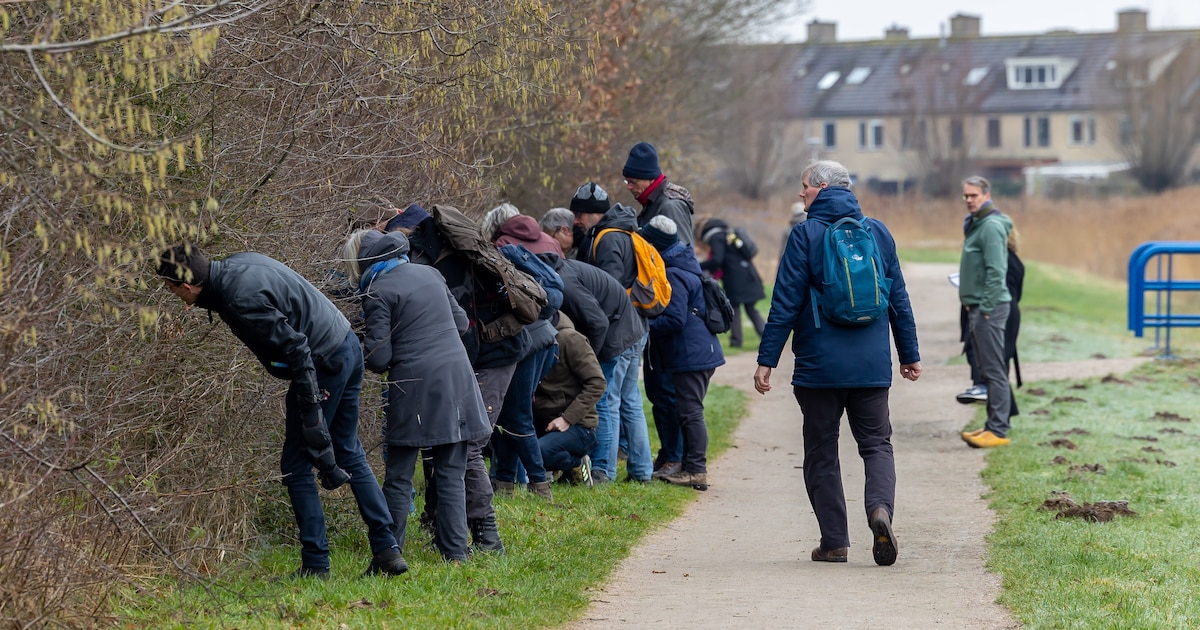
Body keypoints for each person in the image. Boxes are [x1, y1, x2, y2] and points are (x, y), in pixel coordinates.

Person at [157, 244, 406, 578]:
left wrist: (312, 414)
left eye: (170, 289)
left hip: (323, 360)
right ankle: (388, 551)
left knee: (296, 464)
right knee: (348, 449)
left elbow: (298, 351)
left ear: (184, 286)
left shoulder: (238, 298)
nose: (173, 296)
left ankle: (316, 564)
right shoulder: (236, 264)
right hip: (345, 343)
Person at [753, 160, 921, 567]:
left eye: (804, 186)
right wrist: (909, 354)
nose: (801, 193)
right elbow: (898, 298)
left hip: (819, 369)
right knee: (877, 445)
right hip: (871, 367)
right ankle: (879, 510)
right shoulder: (878, 232)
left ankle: (834, 543)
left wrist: (767, 360)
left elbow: (785, 302)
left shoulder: (805, 235)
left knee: (822, 451)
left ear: (823, 187)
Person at [342, 229, 491, 564]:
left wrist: (355, 344)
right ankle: (456, 555)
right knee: (451, 473)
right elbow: (461, 322)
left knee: (398, 476)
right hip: (457, 378)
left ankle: (390, 553)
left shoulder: (378, 290)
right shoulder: (430, 273)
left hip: (414, 389)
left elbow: (379, 357)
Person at [390, 203, 522, 553]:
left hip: (492, 354)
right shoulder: (443, 254)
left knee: (468, 445)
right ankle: (446, 532)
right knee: (451, 443)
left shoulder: (431, 263)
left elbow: (460, 324)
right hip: (480, 354)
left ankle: (487, 536)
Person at [570, 182, 656, 484]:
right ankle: (642, 470)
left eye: (580, 215)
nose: (576, 221)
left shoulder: (607, 241)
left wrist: (596, 341)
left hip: (619, 330)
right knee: (630, 399)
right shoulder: (624, 231)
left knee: (606, 398)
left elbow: (609, 293)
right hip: (636, 328)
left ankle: (604, 469)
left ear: (595, 214)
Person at [479, 204, 561, 501]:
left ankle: (540, 486)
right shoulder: (546, 240)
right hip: (548, 337)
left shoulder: (501, 247)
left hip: (524, 340)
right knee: (512, 412)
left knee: (516, 414)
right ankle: (504, 482)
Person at [640, 216, 725, 490]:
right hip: (696, 352)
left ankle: (696, 471)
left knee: (690, 413)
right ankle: (690, 467)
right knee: (688, 411)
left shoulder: (674, 273)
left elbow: (675, 320)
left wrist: (644, 326)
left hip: (692, 355)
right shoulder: (683, 265)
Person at [958, 176, 1016, 449]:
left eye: (974, 195)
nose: (969, 200)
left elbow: (997, 270)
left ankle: (999, 430)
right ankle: (991, 425)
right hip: (978, 306)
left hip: (989, 308)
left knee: (994, 370)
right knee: (987, 369)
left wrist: (988, 308)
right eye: (966, 196)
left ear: (986, 194)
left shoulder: (991, 225)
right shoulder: (977, 223)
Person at [956, 227, 1024, 412]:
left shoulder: (1001, 259)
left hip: (995, 313)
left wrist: (984, 307)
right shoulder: (1012, 258)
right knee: (998, 367)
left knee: (992, 367)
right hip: (1005, 312)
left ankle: (998, 419)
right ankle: (999, 419)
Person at [534, 313, 605, 485]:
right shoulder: (530, 335)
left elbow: (597, 383)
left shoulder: (571, 339)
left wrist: (567, 418)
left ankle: (576, 463)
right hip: (542, 419)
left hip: (578, 425)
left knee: (537, 453)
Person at [697, 217, 766, 348]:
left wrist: (699, 265)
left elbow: (717, 259)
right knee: (750, 308)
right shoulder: (729, 234)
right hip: (748, 274)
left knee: (734, 308)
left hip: (735, 279)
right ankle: (766, 337)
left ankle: (736, 341)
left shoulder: (716, 237)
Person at [622, 141, 695, 245]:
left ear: (650, 179)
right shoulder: (652, 203)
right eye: (627, 181)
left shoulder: (670, 207)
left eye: (633, 182)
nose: (628, 187)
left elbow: (683, 256)